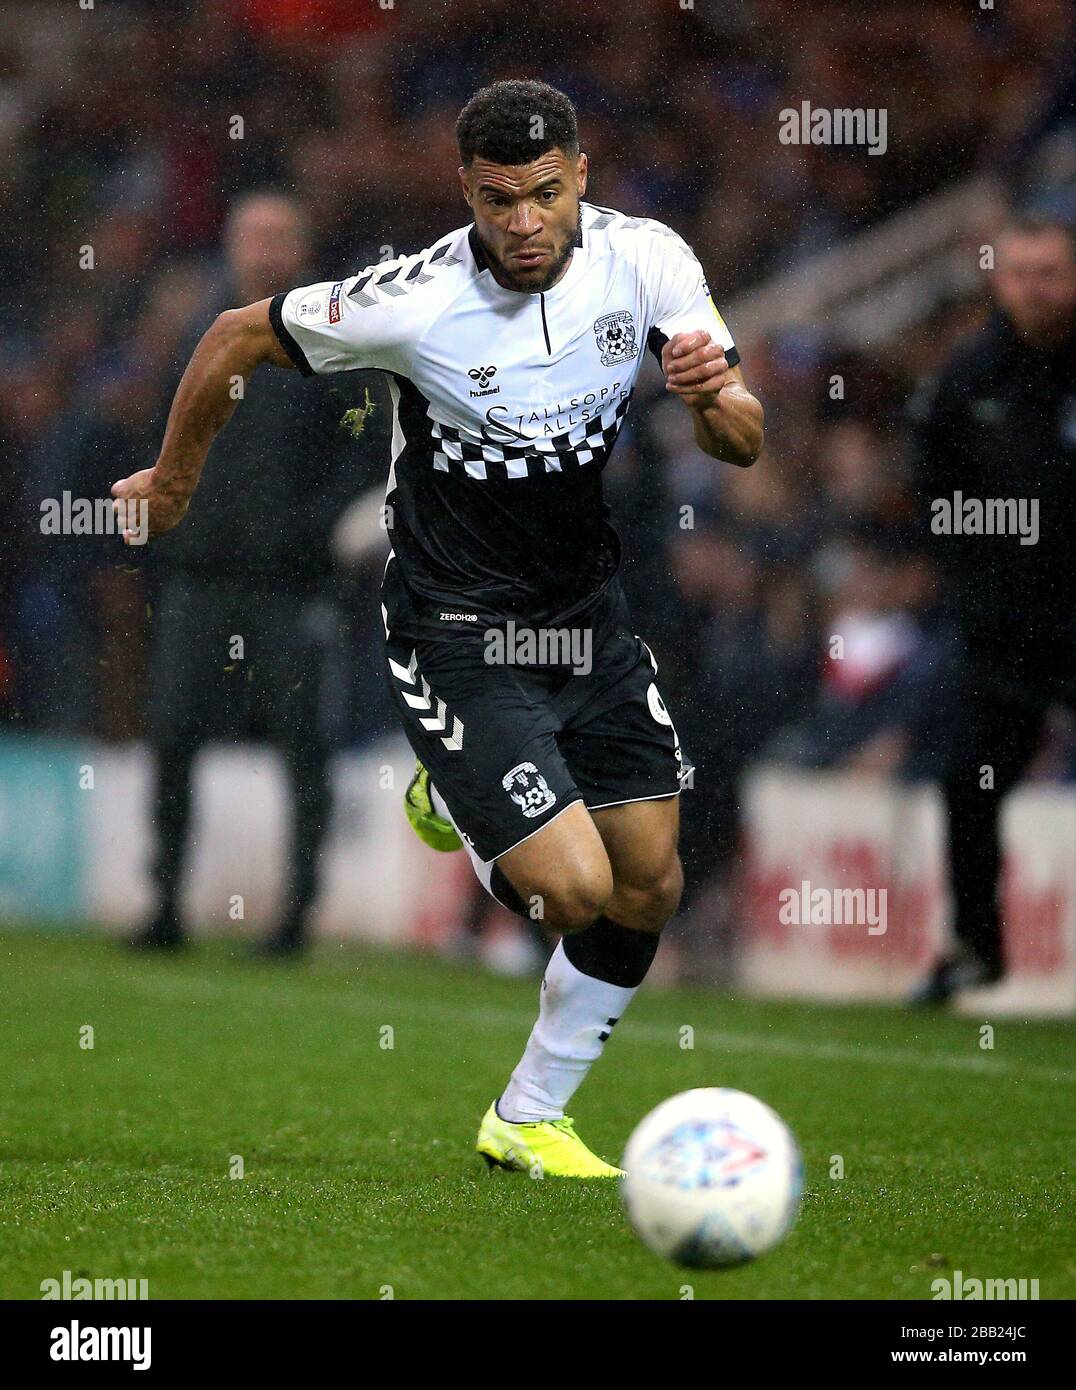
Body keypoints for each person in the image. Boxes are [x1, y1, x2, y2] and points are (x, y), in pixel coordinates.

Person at [112, 81, 763, 1174]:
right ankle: (456, 792)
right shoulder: (410, 300)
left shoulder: (649, 260)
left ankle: (524, 1115)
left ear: (580, 178)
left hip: (585, 619)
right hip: (452, 624)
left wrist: (709, 400)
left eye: (545, 194)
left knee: (650, 878)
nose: (522, 222)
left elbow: (742, 438)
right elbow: (234, 335)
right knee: (574, 889)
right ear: (465, 187)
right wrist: (175, 485)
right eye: (499, 198)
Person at [130, 191, 383, 957]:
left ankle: (296, 915)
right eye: (253, 235)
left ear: (301, 249)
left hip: (292, 588)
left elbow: (365, 448)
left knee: (304, 746)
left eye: (280, 236)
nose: (265, 248)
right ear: (233, 245)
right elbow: (162, 434)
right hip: (199, 579)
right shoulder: (194, 334)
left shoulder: (336, 340)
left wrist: (316, 537)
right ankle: (164, 904)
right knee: (172, 736)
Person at [907, 215, 1076, 1004]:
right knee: (967, 783)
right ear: (998, 279)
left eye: (1051, 272)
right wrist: (973, 583)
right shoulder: (969, 377)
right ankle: (976, 944)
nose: (1036, 288)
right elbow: (930, 494)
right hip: (1004, 630)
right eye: (1022, 273)